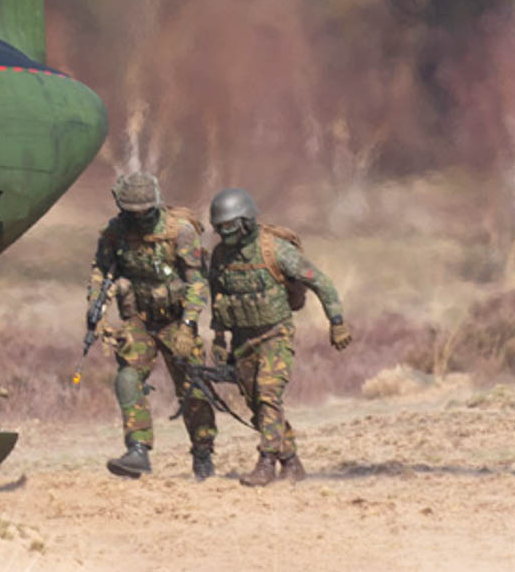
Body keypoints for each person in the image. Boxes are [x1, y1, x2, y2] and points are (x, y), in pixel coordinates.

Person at [205, 188, 352, 487]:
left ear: (246, 221)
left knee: (269, 394)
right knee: (258, 406)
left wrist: (336, 322)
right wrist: (219, 340)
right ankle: (292, 463)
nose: (224, 233)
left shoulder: (275, 251)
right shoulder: (220, 255)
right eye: (219, 227)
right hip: (243, 340)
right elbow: (218, 296)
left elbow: (320, 282)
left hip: (275, 335)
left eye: (229, 226)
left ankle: (266, 463)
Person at [87, 172, 217, 480]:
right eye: (133, 211)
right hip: (139, 320)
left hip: (176, 320)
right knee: (128, 378)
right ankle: (138, 450)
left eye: (144, 210)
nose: (139, 217)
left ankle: (203, 452)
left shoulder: (180, 232)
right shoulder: (114, 233)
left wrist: (187, 326)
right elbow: (99, 272)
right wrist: (97, 314)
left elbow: (197, 283)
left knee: (193, 387)